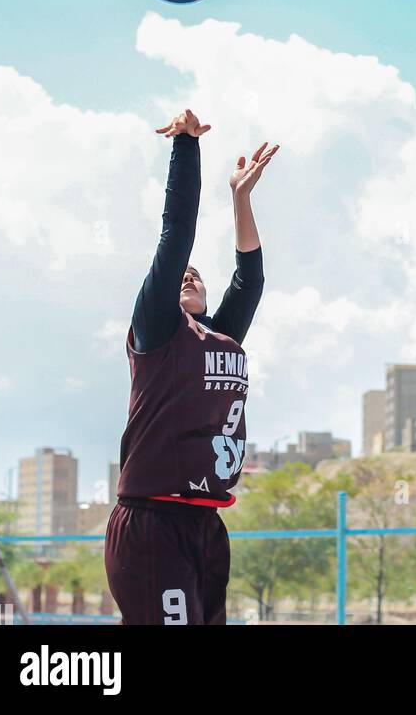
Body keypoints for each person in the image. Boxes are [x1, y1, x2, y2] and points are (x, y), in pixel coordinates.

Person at [104, 109, 278, 625]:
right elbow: (175, 233)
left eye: (196, 275)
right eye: (180, 274)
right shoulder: (157, 328)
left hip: (205, 522)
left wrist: (241, 199)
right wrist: (187, 147)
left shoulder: (222, 336)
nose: (188, 276)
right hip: (151, 517)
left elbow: (251, 279)